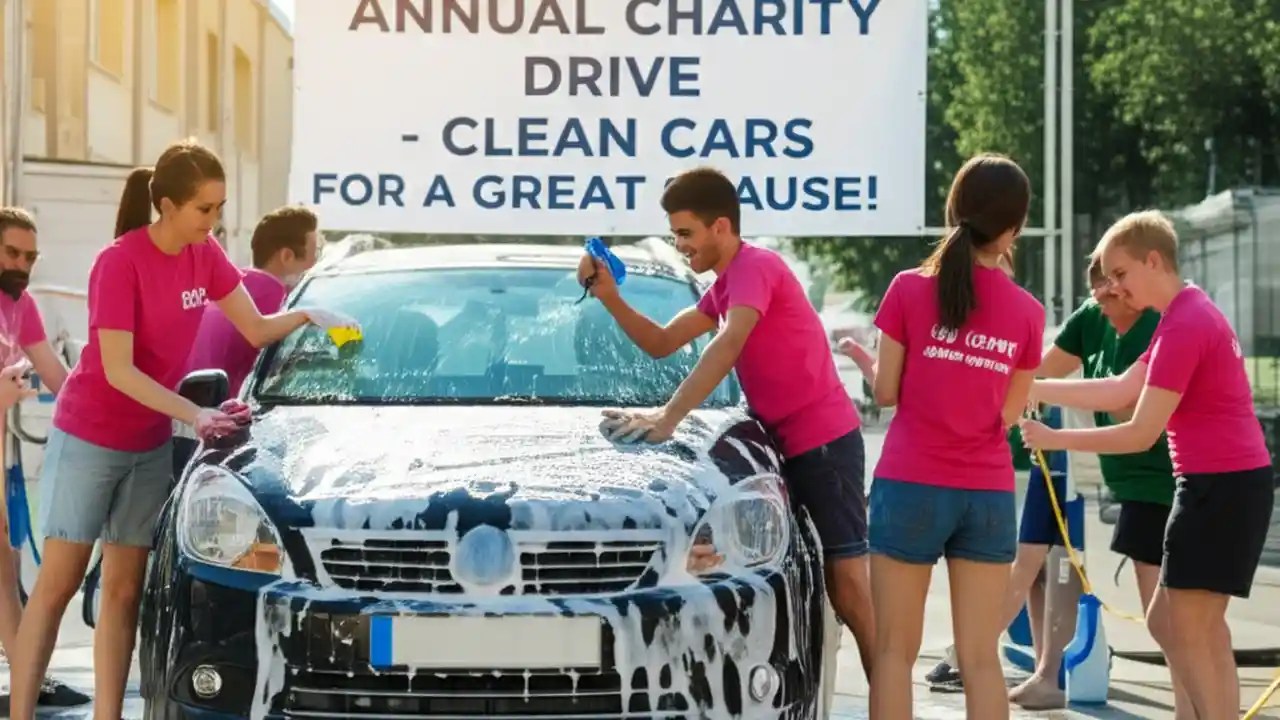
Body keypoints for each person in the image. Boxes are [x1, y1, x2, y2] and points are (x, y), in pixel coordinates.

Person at [5, 139, 357, 720]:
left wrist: (310, 314)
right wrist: (192, 414)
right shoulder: (119, 262)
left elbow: (257, 328)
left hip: (146, 444)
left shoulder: (207, 256)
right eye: (204, 210)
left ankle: (109, 716)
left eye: (220, 209)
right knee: (59, 584)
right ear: (166, 206)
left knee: (123, 592)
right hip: (90, 433)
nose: (215, 223)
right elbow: (118, 370)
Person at [577, 166, 877, 678]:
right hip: (784, 449)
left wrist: (669, 417)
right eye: (674, 235)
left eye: (687, 233)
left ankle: (891, 704)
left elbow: (729, 342)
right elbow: (662, 342)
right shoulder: (724, 285)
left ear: (722, 227)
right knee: (815, 587)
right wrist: (609, 297)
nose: (681, 245)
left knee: (849, 588)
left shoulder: (756, 266)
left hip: (824, 443)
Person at [1020, 210, 1274, 720]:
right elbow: (1120, 387)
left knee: (1183, 623)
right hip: (1220, 484)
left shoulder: (1185, 323)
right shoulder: (1182, 313)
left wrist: (1052, 435)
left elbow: (1140, 431)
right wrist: (1030, 385)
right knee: (1184, 623)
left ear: (1153, 260)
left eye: (1119, 274)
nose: (1111, 288)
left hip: (1218, 486)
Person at [864, 153, 1043, 720]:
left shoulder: (907, 290)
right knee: (981, 659)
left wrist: (873, 368)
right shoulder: (1028, 313)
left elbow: (886, 392)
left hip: (911, 483)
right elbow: (1010, 413)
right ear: (1014, 229)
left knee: (894, 652)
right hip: (987, 494)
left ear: (952, 211)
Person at [0, 208, 90, 710]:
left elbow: (58, 377)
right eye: (12, 252)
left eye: (30, 256)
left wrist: (108, 392)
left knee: (7, 564)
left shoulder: (22, 305)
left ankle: (27, 681)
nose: (22, 264)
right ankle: (27, 679)